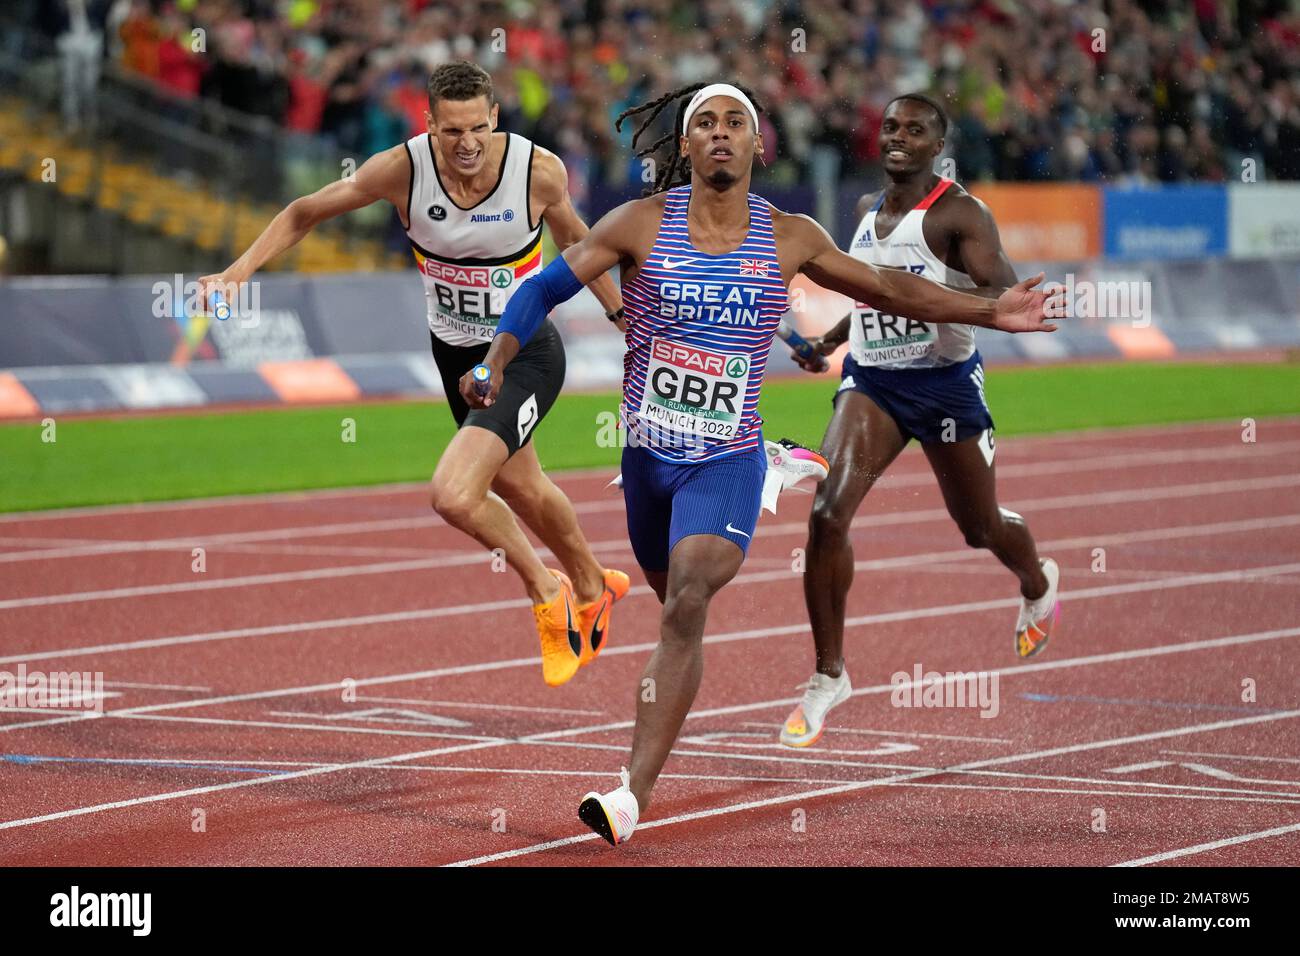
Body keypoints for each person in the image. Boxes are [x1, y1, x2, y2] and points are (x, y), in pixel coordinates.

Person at [464, 82, 1059, 846]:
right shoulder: (637, 224)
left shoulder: (792, 237)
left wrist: (989, 309)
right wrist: (493, 360)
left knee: (685, 603)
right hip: (647, 460)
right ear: (684, 144)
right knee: (664, 591)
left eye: (735, 123)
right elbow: (542, 287)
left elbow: (886, 288)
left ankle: (628, 796)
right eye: (704, 123)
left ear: (757, 144)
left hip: (726, 460)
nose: (719, 134)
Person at [200, 61, 630, 688]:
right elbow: (303, 212)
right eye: (451, 131)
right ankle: (596, 584)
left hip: (525, 349)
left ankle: (548, 591)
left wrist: (624, 317)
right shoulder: (401, 169)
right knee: (524, 487)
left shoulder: (536, 172)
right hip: (455, 357)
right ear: (428, 124)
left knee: (454, 494)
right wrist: (238, 272)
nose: (466, 144)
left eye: (478, 128)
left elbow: (582, 249)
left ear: (495, 119)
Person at [780, 94, 1061, 750]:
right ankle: (828, 674)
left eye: (915, 130)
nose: (898, 137)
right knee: (826, 512)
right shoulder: (864, 212)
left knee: (979, 526)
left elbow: (1002, 296)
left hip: (944, 388)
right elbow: (878, 289)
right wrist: (831, 342)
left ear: (939, 144)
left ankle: (1038, 581)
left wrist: (992, 304)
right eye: (891, 126)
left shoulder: (960, 214)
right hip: (873, 383)